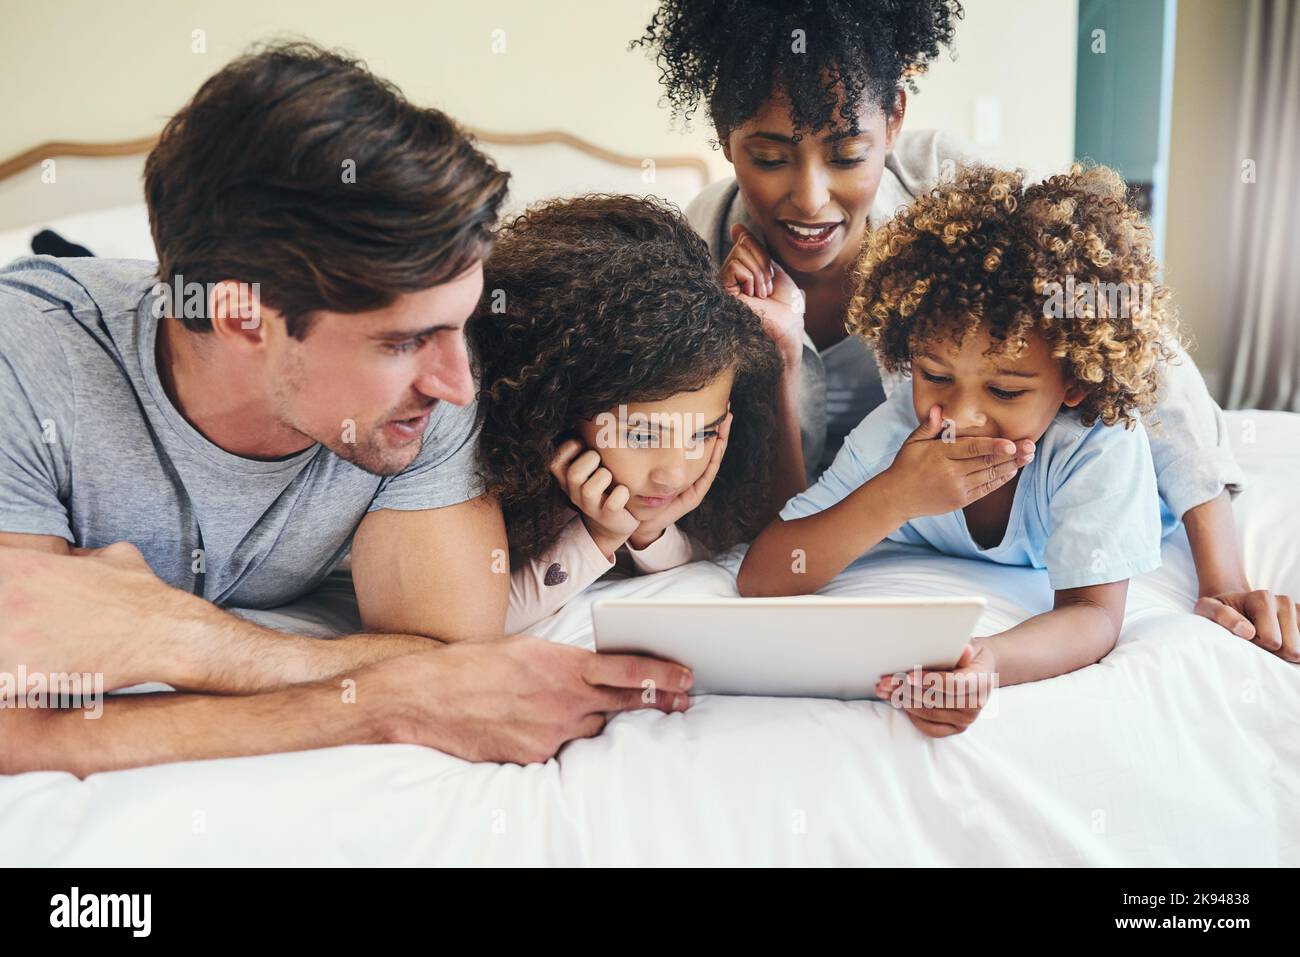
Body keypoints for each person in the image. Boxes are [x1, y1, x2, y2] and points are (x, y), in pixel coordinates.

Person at [0, 42, 693, 777]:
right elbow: (21, 726)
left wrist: (177, 638)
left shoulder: (427, 385)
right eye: (402, 341)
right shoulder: (28, 367)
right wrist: (379, 700)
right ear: (241, 319)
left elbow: (447, 656)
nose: (458, 383)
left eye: (456, 325)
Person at [637, 0, 1297, 654]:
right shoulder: (697, 254)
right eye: (771, 157)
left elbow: (1128, 349)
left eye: (847, 154)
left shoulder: (945, 192)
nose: (810, 198)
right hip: (868, 489)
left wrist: (1225, 574)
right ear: (725, 136)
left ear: (894, 119)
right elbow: (770, 524)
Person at [467, 195, 781, 633]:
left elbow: (704, 563)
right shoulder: (476, 464)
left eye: (702, 434)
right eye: (642, 436)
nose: (674, 474)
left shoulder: (692, 481)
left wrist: (648, 531)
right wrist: (600, 536)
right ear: (557, 407)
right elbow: (469, 624)